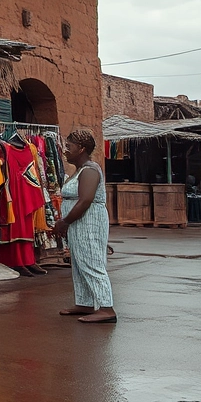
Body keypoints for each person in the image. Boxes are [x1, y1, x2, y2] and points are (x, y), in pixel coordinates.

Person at [54, 128, 115, 323]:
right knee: (79, 263)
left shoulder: (90, 170)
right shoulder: (79, 171)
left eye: (69, 146)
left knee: (92, 262)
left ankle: (106, 308)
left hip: (89, 222)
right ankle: (85, 302)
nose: (65, 150)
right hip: (78, 223)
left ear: (81, 149)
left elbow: (85, 200)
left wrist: (65, 222)